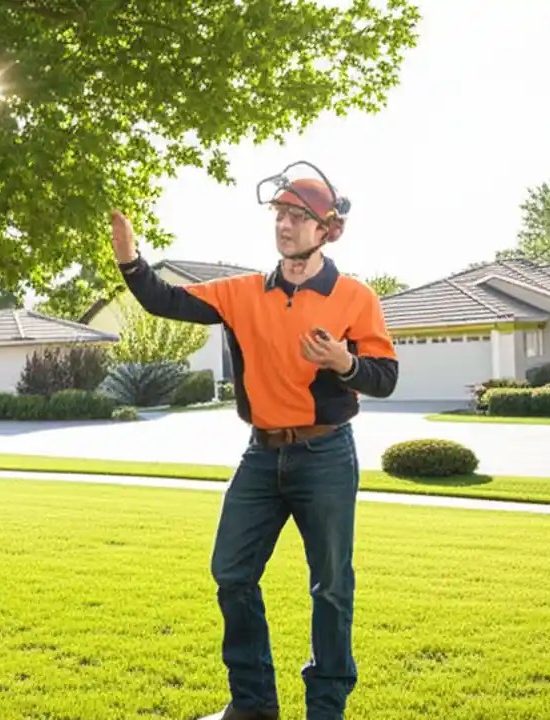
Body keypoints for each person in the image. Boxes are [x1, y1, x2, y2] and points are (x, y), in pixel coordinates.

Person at [109, 162, 398, 720]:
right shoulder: (242, 292)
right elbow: (165, 300)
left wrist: (345, 362)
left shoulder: (355, 298)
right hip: (261, 457)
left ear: (327, 229)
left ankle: (326, 709)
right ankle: (253, 706)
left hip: (326, 455)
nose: (285, 226)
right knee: (231, 573)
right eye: (280, 215)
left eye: (298, 217)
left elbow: (384, 378)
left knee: (332, 587)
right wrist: (130, 261)